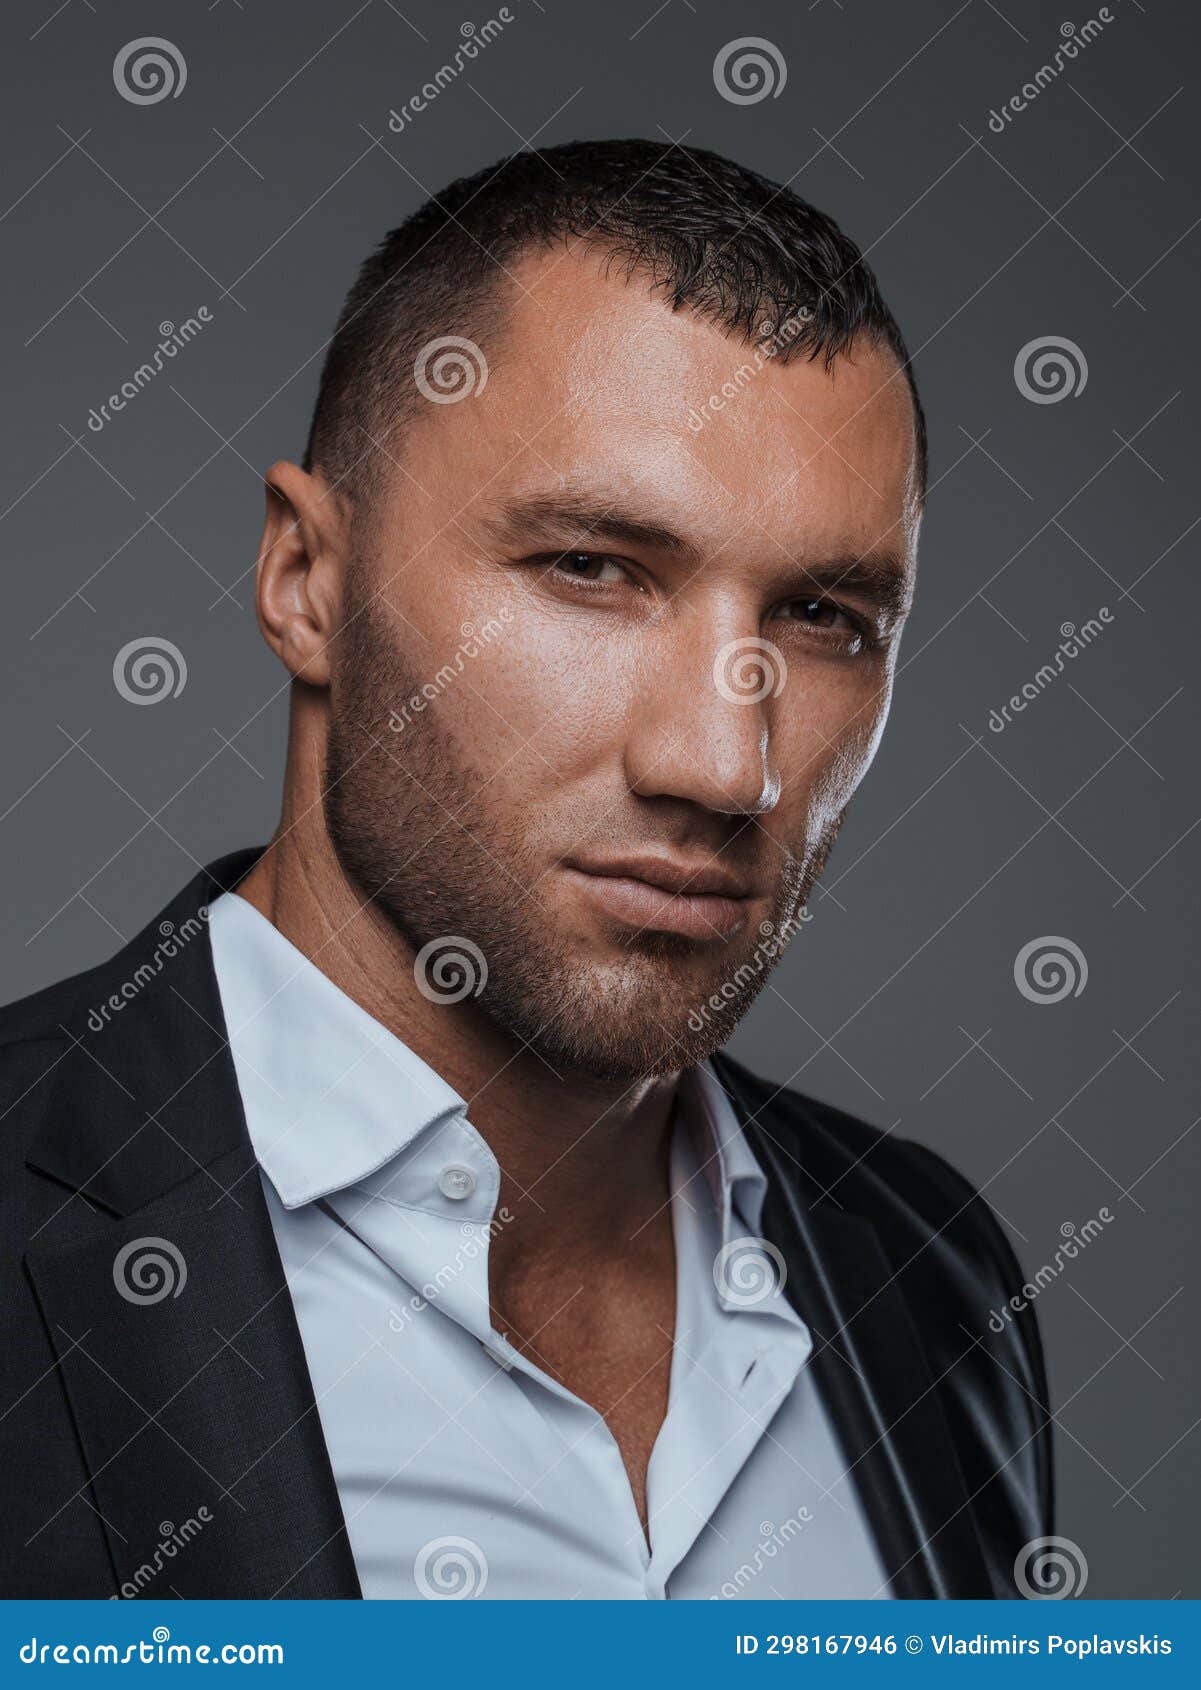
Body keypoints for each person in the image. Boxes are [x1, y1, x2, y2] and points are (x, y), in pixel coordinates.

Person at [0, 139, 1050, 1600]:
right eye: (591, 568)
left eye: (822, 616)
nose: (724, 764)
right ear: (305, 579)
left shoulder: (930, 1272)